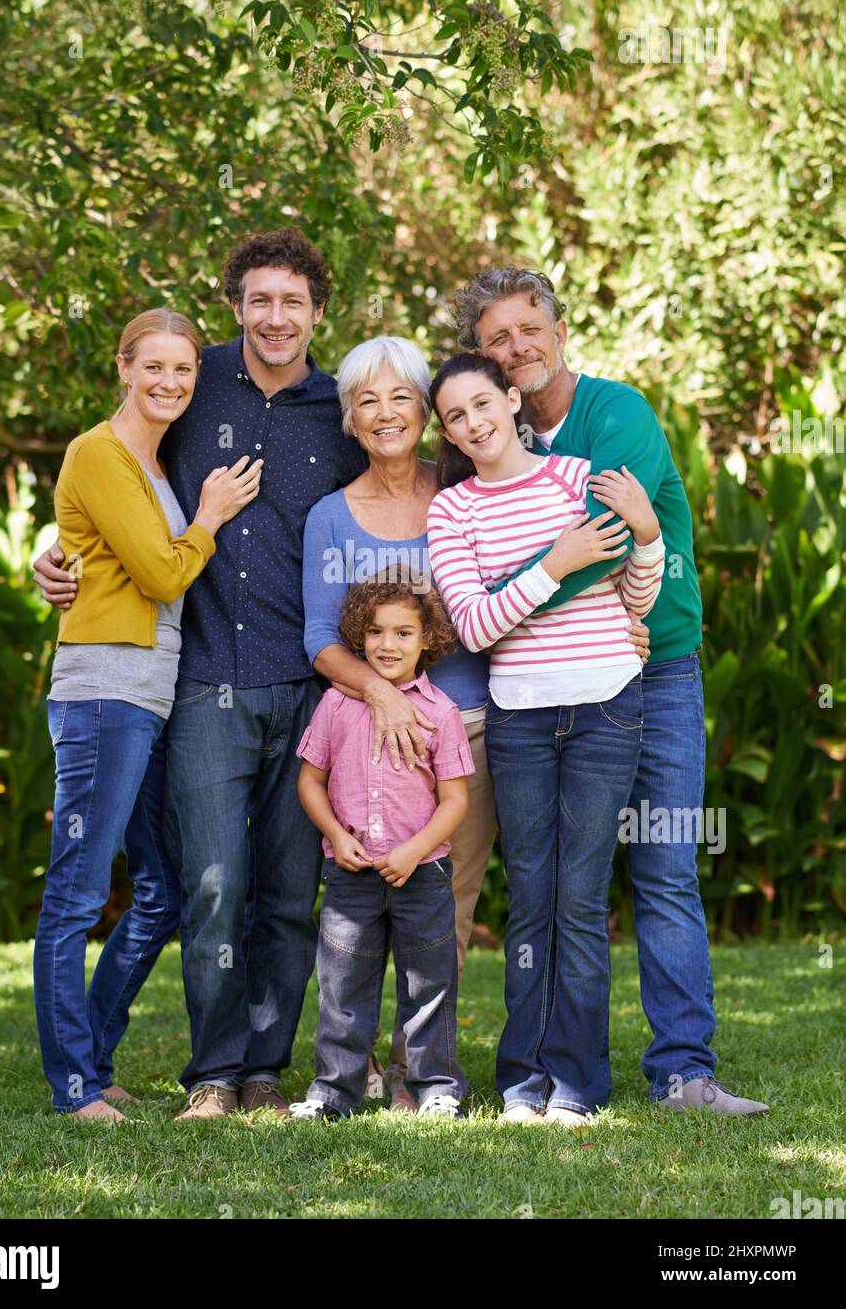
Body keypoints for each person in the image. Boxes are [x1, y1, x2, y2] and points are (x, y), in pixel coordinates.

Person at [33, 229, 368, 1119]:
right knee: (212, 889)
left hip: (306, 688)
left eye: (293, 302)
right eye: (259, 299)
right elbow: (111, 474)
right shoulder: (191, 381)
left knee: (290, 897)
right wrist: (49, 552)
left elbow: (402, 497)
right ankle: (214, 1075)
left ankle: (265, 1068)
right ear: (235, 307)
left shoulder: (340, 412)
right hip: (197, 683)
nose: (276, 317)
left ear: (317, 312)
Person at [302, 334, 653, 1108]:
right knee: (362, 909)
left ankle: (420, 1070)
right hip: (386, 734)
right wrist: (383, 693)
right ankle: (351, 1069)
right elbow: (334, 636)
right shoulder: (354, 515)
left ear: (432, 413)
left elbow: (608, 564)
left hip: (478, 727)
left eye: (404, 398)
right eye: (368, 400)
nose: (387, 413)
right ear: (350, 419)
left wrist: (630, 612)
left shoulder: (475, 491)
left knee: (450, 909)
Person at [456, 266, 768, 1117]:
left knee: (664, 865)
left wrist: (493, 610)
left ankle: (683, 1071)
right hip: (550, 687)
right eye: (496, 339)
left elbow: (592, 543)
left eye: (529, 329)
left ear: (559, 331)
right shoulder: (488, 436)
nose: (516, 348)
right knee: (551, 885)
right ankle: (549, 1069)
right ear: (480, 356)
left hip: (655, 663)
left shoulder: (617, 413)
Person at [427, 353, 666, 1126]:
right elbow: (474, 623)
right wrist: (556, 563)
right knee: (530, 899)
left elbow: (634, 587)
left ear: (510, 396)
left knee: (579, 897)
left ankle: (577, 1086)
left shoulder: (575, 478)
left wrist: (650, 535)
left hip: (605, 706)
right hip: (520, 716)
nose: (473, 423)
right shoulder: (452, 510)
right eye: (455, 416)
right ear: (450, 433)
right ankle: (523, 1081)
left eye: (481, 403)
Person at [34, 308, 253, 1120]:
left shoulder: (149, 463)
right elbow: (163, 575)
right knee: (78, 895)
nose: (169, 382)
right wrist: (209, 519)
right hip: (103, 694)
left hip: (151, 697)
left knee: (160, 890)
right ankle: (73, 1086)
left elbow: (98, 551)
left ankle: (90, 1056)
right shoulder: (98, 451)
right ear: (123, 366)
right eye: (153, 366)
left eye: (184, 370)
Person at [291, 577, 474, 1121]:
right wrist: (337, 837)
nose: (387, 644)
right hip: (351, 871)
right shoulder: (335, 706)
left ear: (427, 641)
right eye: (374, 631)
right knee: (343, 989)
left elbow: (455, 799)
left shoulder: (441, 712)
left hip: (422, 873)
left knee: (430, 985)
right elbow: (309, 782)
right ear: (359, 636)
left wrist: (415, 850)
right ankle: (333, 1094)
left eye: (402, 632)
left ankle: (435, 1087)